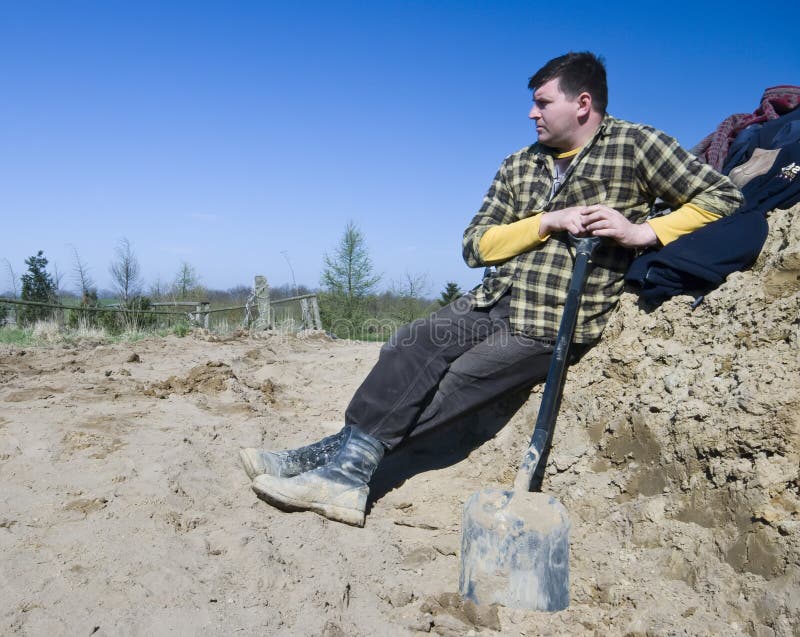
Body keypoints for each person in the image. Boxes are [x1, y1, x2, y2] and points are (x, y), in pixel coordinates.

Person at [241, 52, 743, 527]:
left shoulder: (636, 145)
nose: (531, 113)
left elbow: (723, 196)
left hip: (552, 318)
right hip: (491, 298)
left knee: (456, 383)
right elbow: (475, 245)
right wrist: (547, 221)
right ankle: (339, 471)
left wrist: (642, 232)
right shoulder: (519, 164)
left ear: (583, 103)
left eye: (543, 102)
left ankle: (329, 465)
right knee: (406, 346)